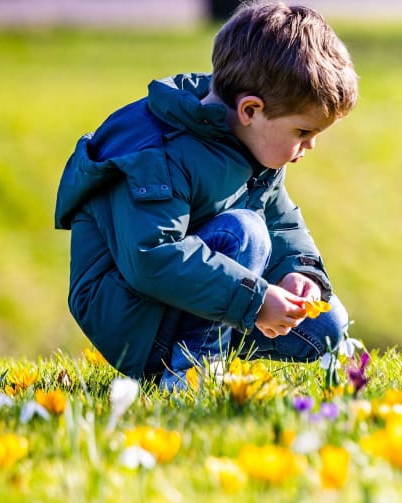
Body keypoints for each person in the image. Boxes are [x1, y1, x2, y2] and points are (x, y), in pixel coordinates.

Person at [53, 1, 357, 388]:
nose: (310, 146)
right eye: (303, 132)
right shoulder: (159, 151)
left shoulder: (253, 141)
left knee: (326, 326)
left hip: (189, 300)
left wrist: (299, 273)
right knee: (243, 232)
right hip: (133, 319)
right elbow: (151, 258)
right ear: (250, 109)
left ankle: (203, 346)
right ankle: (191, 375)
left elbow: (282, 223)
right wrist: (256, 301)